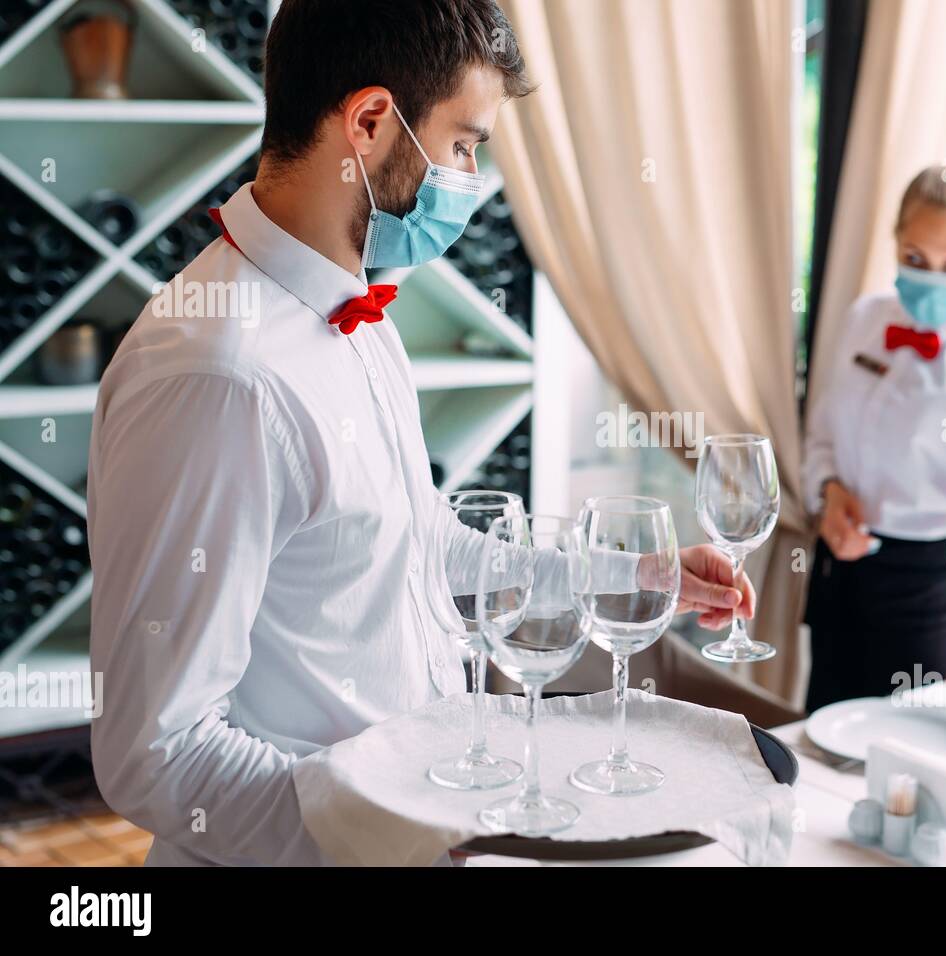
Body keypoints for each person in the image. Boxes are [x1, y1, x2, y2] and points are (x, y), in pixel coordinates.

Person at [86, 0, 753, 867]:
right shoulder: (217, 377)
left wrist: (637, 578)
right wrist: (408, 844)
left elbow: (426, 547)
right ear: (368, 122)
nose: (470, 180)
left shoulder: (359, 315)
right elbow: (157, 755)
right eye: (464, 145)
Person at [801, 165, 946, 758]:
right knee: (820, 759)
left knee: (908, 781)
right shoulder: (866, 318)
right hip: (841, 578)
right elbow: (823, 438)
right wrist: (828, 494)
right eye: (915, 256)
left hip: (928, 598)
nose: (931, 277)